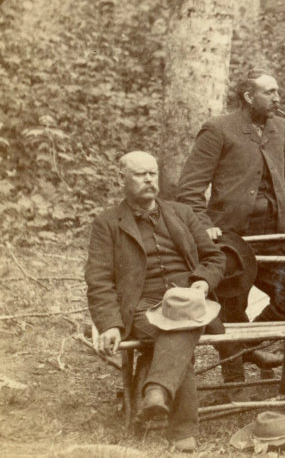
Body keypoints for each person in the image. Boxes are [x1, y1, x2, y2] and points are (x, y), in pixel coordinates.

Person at [176, 70, 285, 382]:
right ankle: (234, 385)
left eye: (278, 91)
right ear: (249, 97)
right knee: (232, 309)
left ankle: (247, 347)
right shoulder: (218, 129)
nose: (277, 98)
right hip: (230, 239)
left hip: (274, 236)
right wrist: (204, 224)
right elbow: (189, 189)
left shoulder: (280, 128)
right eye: (270, 92)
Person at [85, 151, 225, 453]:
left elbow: (214, 257)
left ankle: (155, 391)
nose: (149, 180)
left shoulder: (182, 213)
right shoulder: (107, 223)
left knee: (181, 322)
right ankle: (180, 426)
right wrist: (109, 324)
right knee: (181, 331)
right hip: (141, 308)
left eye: (153, 173)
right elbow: (99, 280)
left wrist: (201, 282)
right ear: (121, 179)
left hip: (188, 301)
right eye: (140, 174)